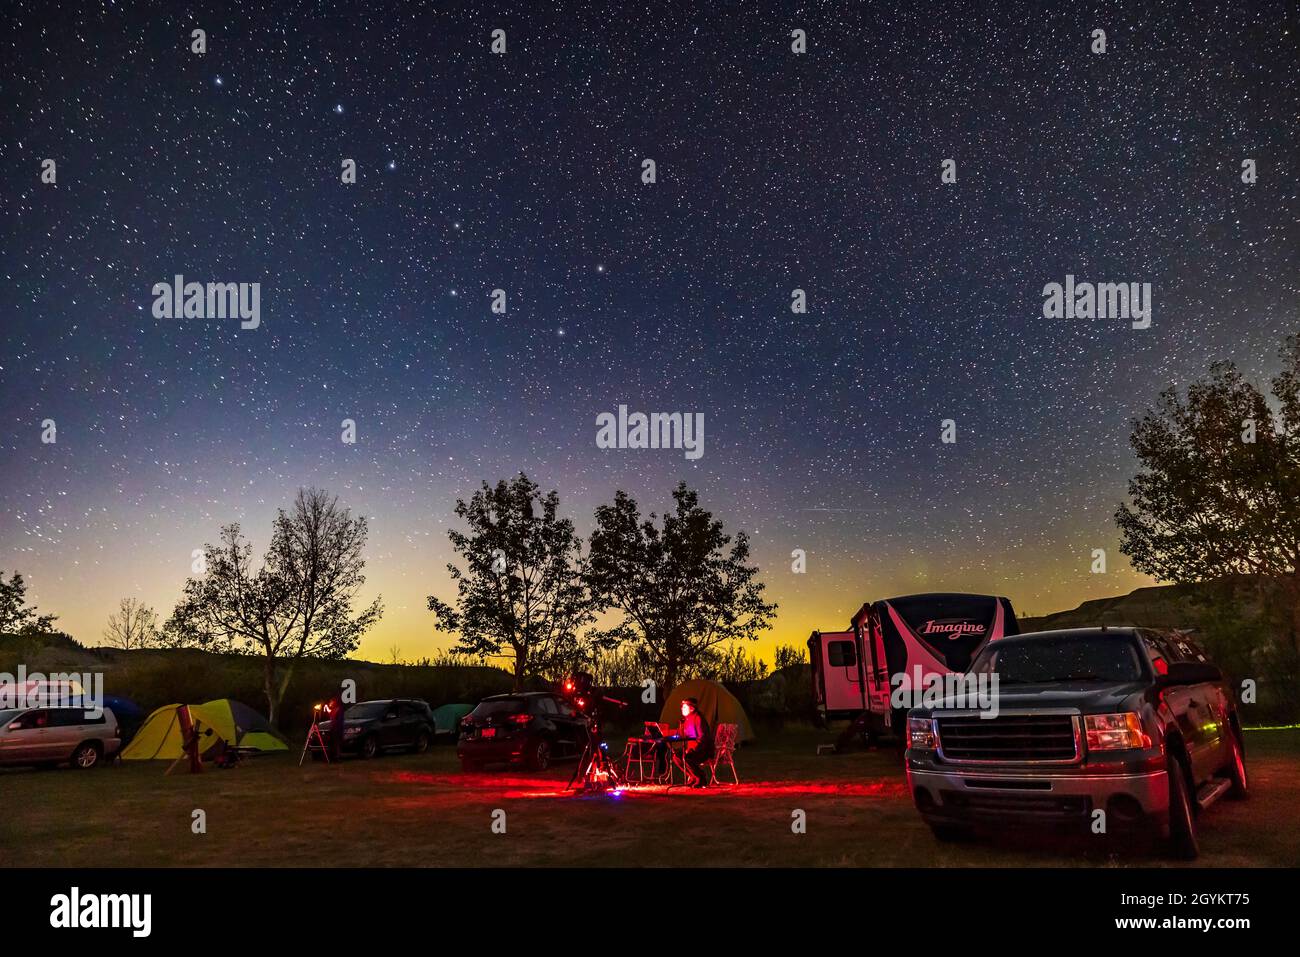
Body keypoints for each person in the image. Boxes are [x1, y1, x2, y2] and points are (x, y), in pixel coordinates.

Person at [679, 698, 714, 788]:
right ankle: (693, 776)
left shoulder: (698, 719)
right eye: (682, 707)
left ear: (692, 708)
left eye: (685, 707)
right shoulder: (687, 719)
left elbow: (703, 739)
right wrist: (681, 725)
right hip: (693, 749)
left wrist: (693, 749)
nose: (682, 708)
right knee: (676, 756)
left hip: (703, 750)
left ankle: (700, 778)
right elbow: (683, 735)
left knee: (687, 757)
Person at [324, 685, 348, 762]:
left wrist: (337, 728)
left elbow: (339, 720)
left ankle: (337, 757)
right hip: (333, 728)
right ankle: (332, 757)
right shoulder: (334, 710)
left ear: (335, 702)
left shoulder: (339, 710)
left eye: (331, 702)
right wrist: (327, 708)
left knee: (337, 743)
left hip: (337, 729)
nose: (330, 703)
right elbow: (330, 714)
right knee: (332, 743)